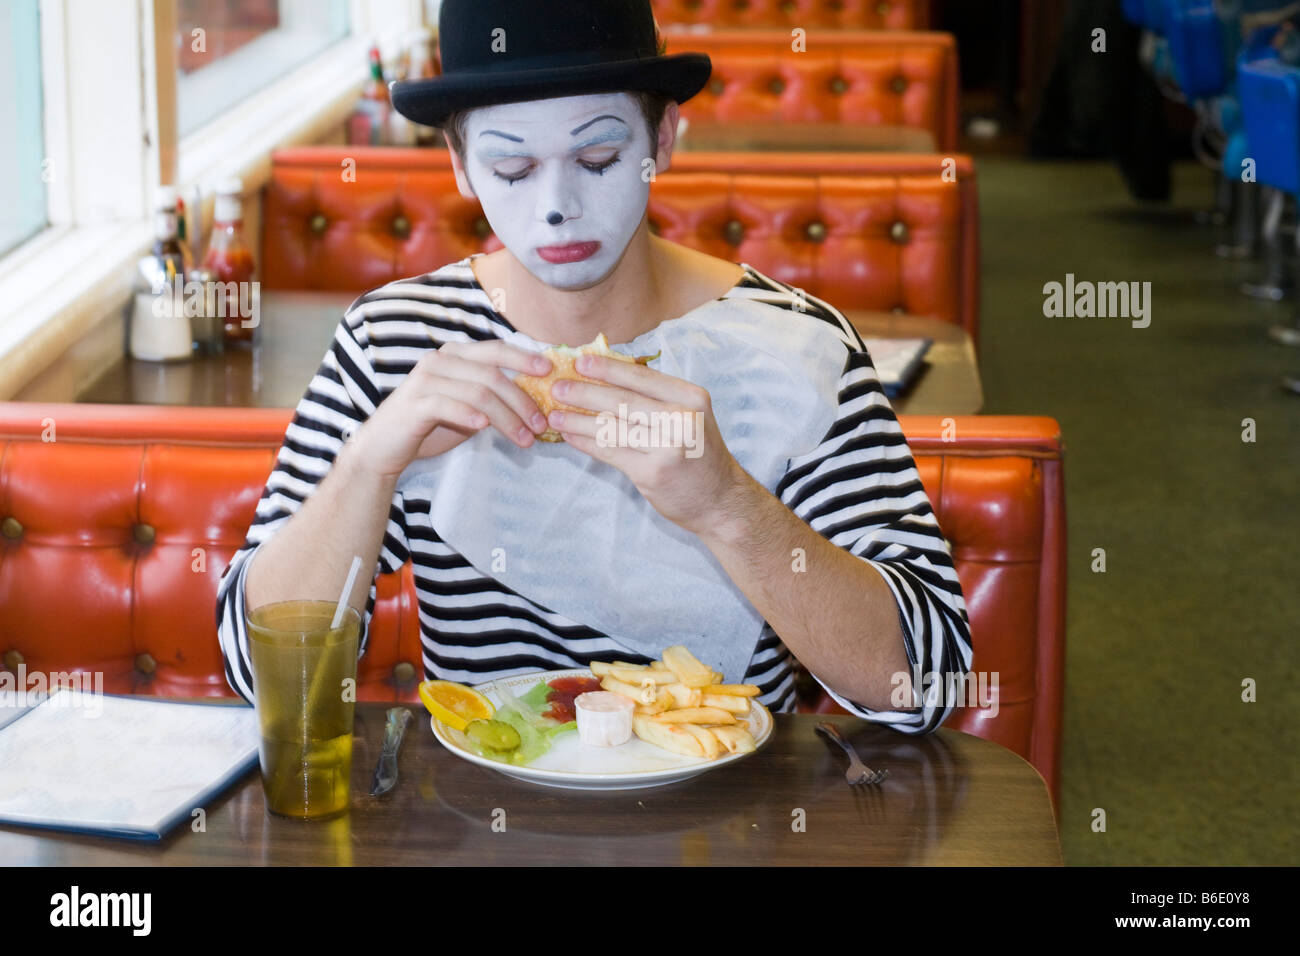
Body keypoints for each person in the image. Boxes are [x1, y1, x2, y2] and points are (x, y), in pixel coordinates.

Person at [216, 0, 973, 733]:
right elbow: (256, 669)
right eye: (511, 167)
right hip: (484, 827)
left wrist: (726, 506)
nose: (557, 206)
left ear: (664, 139)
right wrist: (368, 470)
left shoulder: (800, 347)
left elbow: (929, 681)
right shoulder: (394, 340)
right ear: (460, 168)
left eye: (599, 156)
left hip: (733, 824)